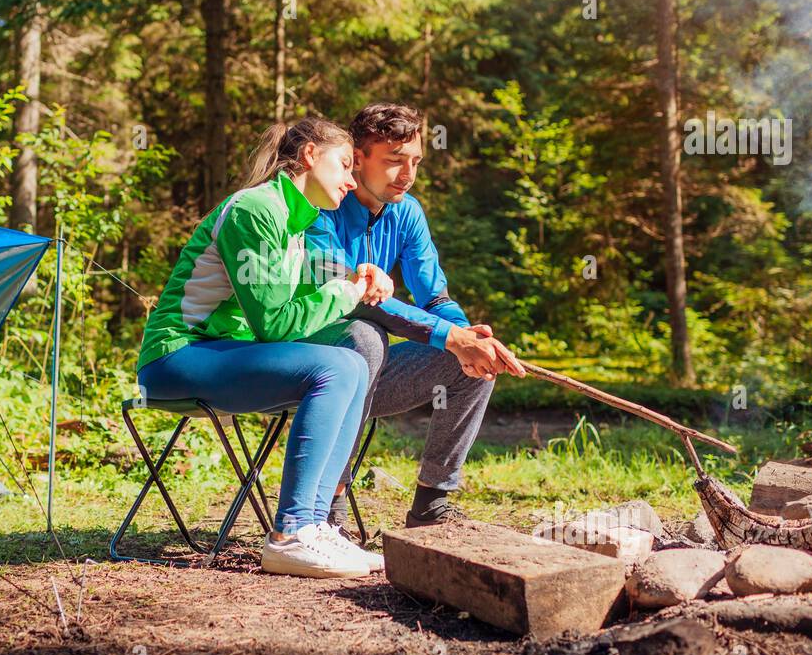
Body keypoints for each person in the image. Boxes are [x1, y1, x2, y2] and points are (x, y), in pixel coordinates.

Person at [136, 117, 395, 578]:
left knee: (354, 360)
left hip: (222, 355)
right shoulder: (255, 211)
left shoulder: (292, 223)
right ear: (311, 155)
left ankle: (315, 526)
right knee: (336, 367)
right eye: (344, 165)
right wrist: (349, 292)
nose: (353, 181)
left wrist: (359, 275)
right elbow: (275, 322)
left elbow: (305, 290)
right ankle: (291, 533)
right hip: (176, 357)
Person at [305, 102, 528, 529]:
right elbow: (352, 297)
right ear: (358, 156)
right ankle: (327, 510)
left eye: (416, 162)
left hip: (372, 375)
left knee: (474, 364)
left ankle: (432, 503)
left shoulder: (407, 212)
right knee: (363, 335)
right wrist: (452, 337)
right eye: (394, 161)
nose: (408, 174)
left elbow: (435, 297)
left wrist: (467, 338)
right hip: (310, 369)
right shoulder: (321, 207)